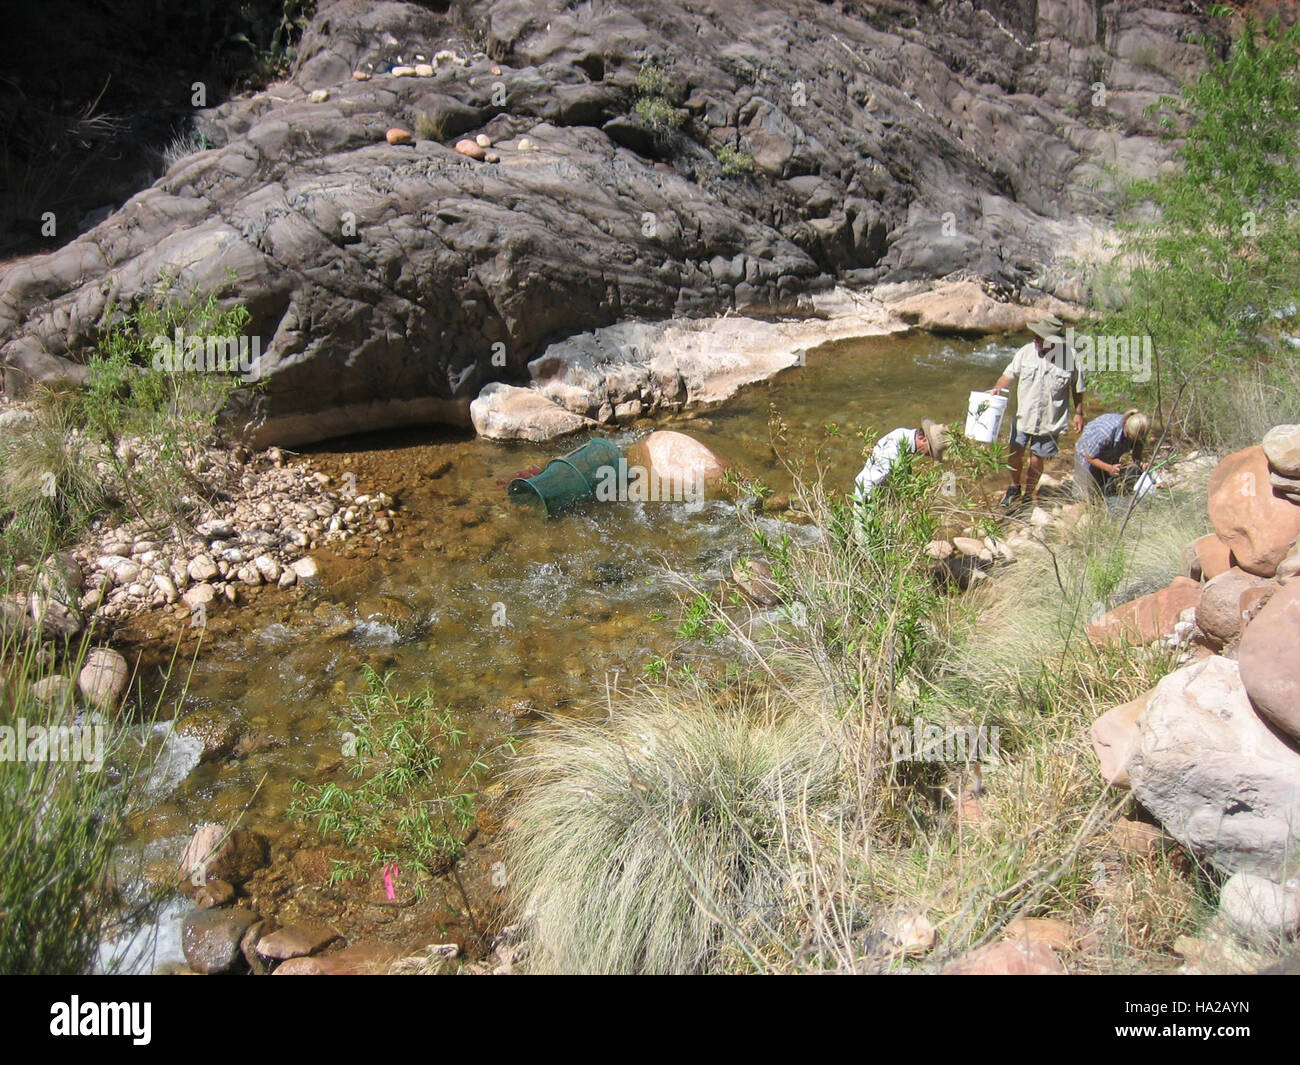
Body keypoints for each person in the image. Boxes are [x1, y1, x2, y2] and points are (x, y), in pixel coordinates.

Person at [987, 314, 1085, 509]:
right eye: (1035, 335)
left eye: (1040, 337)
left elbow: (1078, 387)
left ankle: (1028, 494)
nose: (1035, 339)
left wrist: (1079, 413)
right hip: (1024, 416)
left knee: (1036, 458)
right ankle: (1014, 486)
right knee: (1014, 453)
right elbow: (1008, 375)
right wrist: (997, 389)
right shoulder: (1025, 352)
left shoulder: (1071, 358)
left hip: (1051, 420)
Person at [853, 419, 950, 501]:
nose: (929, 455)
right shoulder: (893, 451)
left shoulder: (903, 434)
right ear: (923, 439)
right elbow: (867, 482)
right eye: (930, 451)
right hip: (866, 498)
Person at [1074, 409, 1150, 498]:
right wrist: (1109, 468)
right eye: (1130, 437)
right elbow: (1089, 457)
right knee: (1085, 496)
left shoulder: (1139, 433)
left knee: (1102, 492)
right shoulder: (1105, 433)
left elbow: (1136, 455)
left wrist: (1141, 464)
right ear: (1125, 425)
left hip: (1110, 454)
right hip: (1087, 454)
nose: (1132, 441)